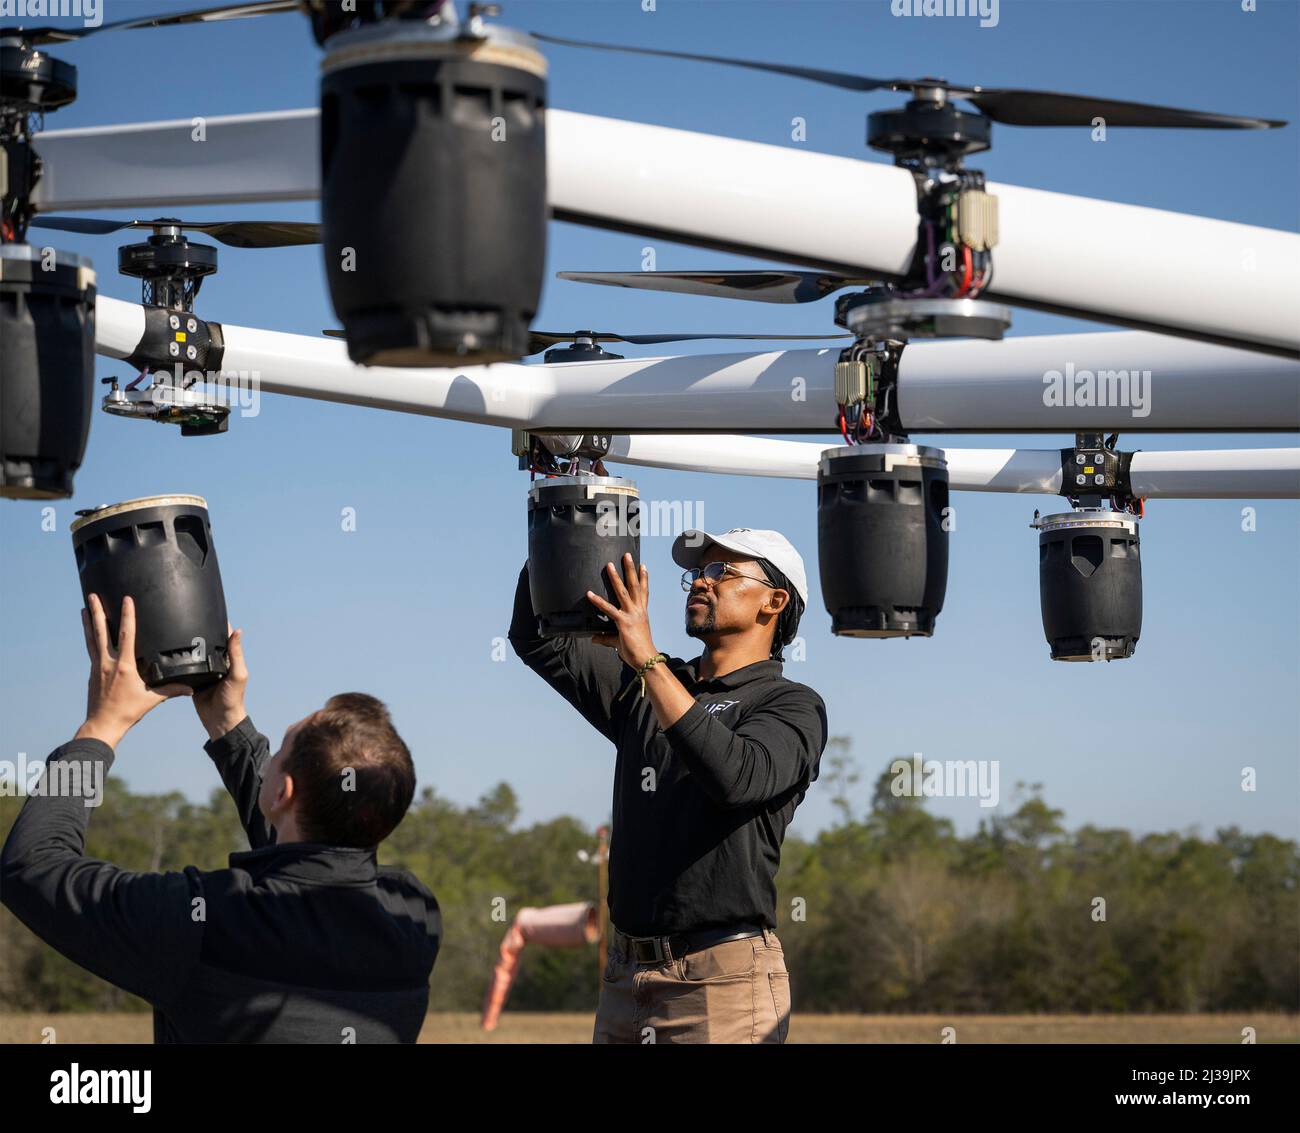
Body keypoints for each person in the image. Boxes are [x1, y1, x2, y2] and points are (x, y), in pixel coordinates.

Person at [1, 593, 440, 1044]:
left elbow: (32, 865)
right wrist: (228, 725)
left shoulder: (200, 923)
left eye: (280, 752)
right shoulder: (413, 916)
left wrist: (100, 728)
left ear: (284, 791)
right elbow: (308, 861)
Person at [509, 527, 827, 1044]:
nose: (701, 583)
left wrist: (648, 661)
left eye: (722, 572)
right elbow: (536, 637)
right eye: (697, 572)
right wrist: (566, 525)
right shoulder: (648, 686)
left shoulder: (790, 704)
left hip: (720, 981)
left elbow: (737, 778)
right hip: (624, 974)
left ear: (775, 600)